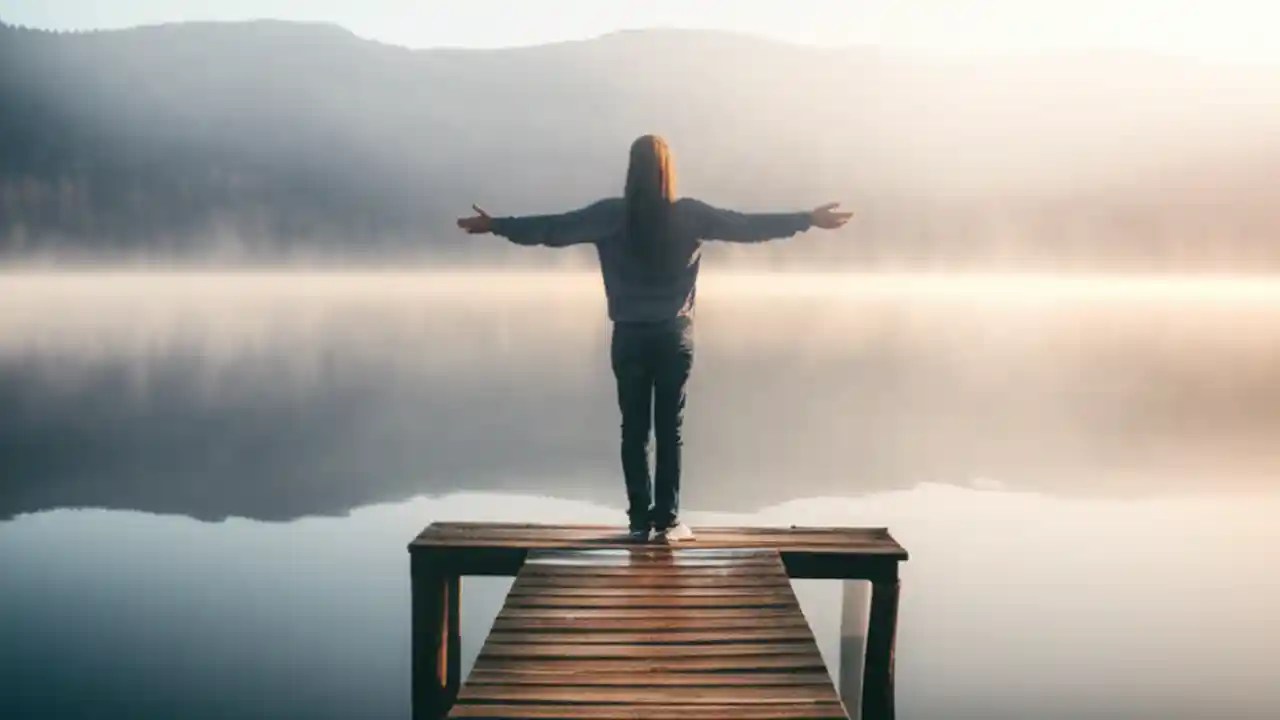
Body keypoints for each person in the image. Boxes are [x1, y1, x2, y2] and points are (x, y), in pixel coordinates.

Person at [457, 134, 852, 543]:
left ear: (632, 170)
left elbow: (553, 229)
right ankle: (666, 522)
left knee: (633, 429)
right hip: (673, 337)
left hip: (629, 336)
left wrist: (496, 226)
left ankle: (638, 522)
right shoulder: (690, 216)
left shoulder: (611, 216)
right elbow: (748, 227)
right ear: (668, 170)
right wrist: (807, 218)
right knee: (669, 428)